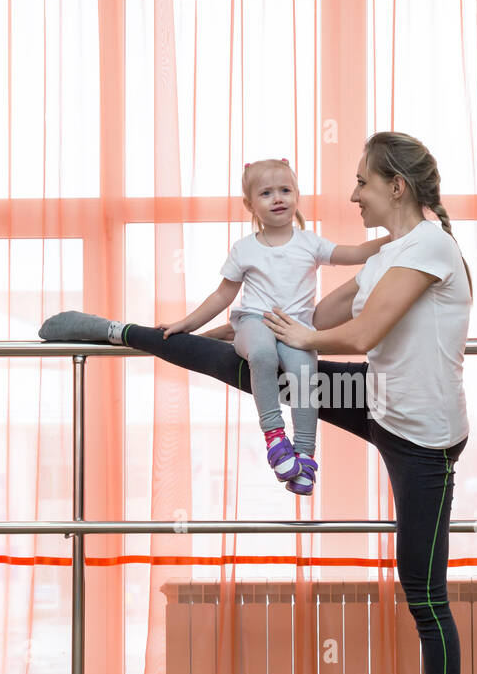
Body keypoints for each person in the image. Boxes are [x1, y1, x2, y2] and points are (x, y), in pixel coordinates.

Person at [39, 131, 474, 674]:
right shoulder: (391, 253)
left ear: (395, 185)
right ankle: (121, 332)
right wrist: (245, 330)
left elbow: (359, 335)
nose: (351, 194)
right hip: (377, 404)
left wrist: (298, 336)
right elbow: (316, 311)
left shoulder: (431, 249)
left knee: (422, 589)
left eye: (361, 181)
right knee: (253, 363)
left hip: (426, 440)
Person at [153, 157, 388, 494]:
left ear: (296, 196)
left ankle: (304, 455)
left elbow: (355, 252)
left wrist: (399, 237)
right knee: (262, 355)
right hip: (253, 322)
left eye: (285, 190)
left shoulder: (311, 243)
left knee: (305, 374)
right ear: (250, 205)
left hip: (294, 327)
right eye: (266, 193)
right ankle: (274, 435)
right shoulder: (244, 249)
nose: (277, 198)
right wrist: (185, 323)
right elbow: (222, 296)